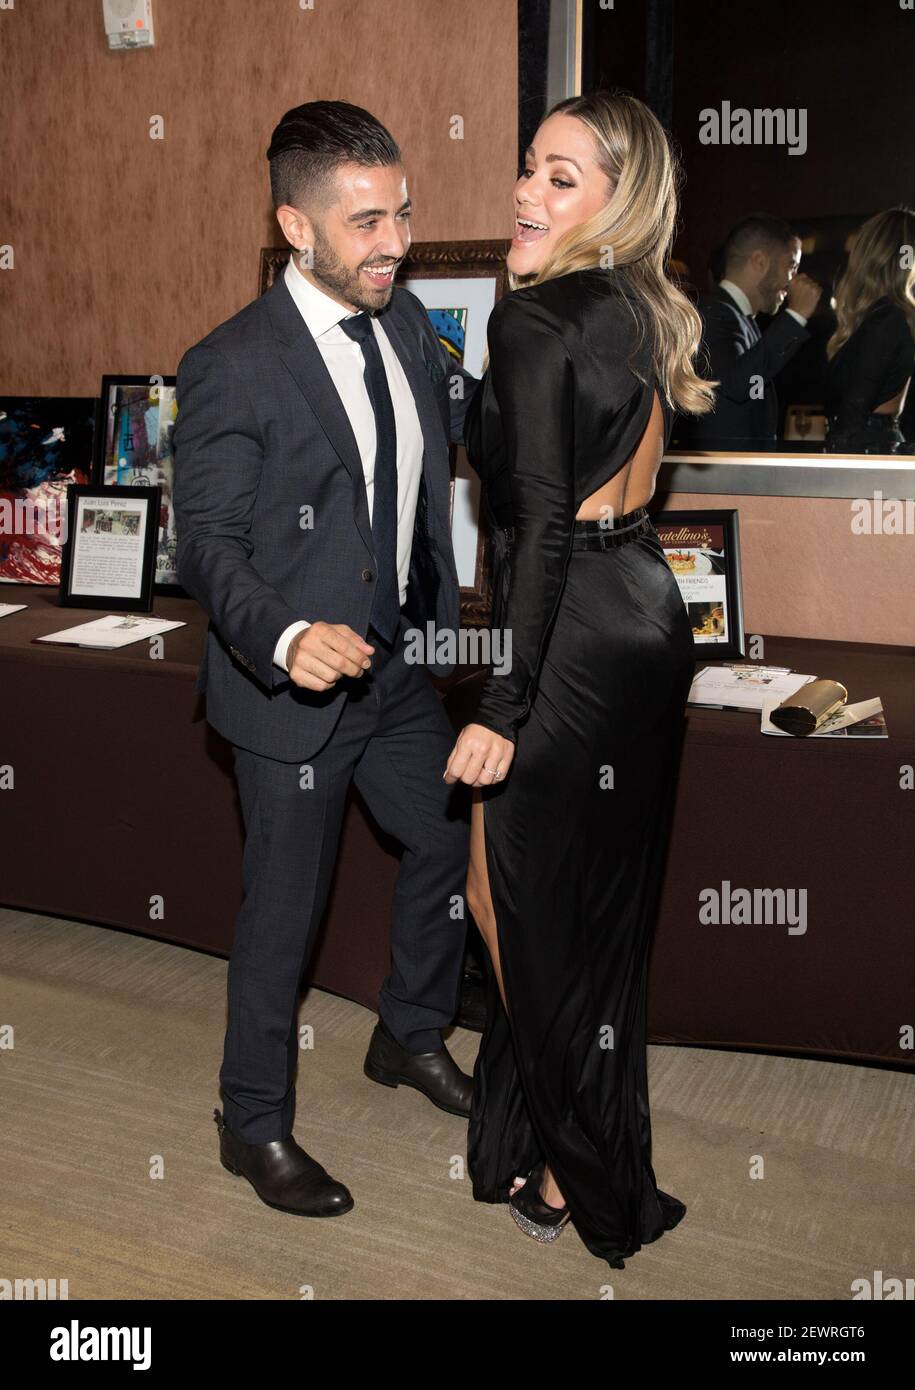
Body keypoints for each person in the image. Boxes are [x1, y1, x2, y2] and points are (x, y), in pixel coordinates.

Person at [173, 100, 478, 1220]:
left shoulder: (403, 323)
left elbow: (449, 443)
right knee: (283, 916)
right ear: (295, 226)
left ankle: (407, 1033)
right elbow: (202, 541)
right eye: (364, 222)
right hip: (289, 689)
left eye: (401, 213)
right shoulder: (231, 365)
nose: (393, 241)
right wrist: (288, 636)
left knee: (447, 834)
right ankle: (250, 1124)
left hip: (395, 669)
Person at [444, 90, 716, 1271]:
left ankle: (575, 1157)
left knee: (513, 904)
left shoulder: (541, 317)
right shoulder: (646, 307)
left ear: (620, 200)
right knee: (598, 910)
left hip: (568, 633)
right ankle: (546, 1131)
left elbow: (539, 526)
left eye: (562, 178)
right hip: (646, 613)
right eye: (526, 168)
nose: (525, 193)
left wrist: (501, 707)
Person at [674, 214, 821, 450]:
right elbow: (738, 383)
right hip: (721, 480)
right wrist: (795, 317)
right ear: (759, 262)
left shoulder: (743, 319)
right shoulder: (710, 315)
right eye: (791, 267)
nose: (793, 281)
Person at [824, 206, 915, 454]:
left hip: (867, 452)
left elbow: (851, 420)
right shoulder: (888, 317)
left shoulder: (888, 319)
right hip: (875, 450)